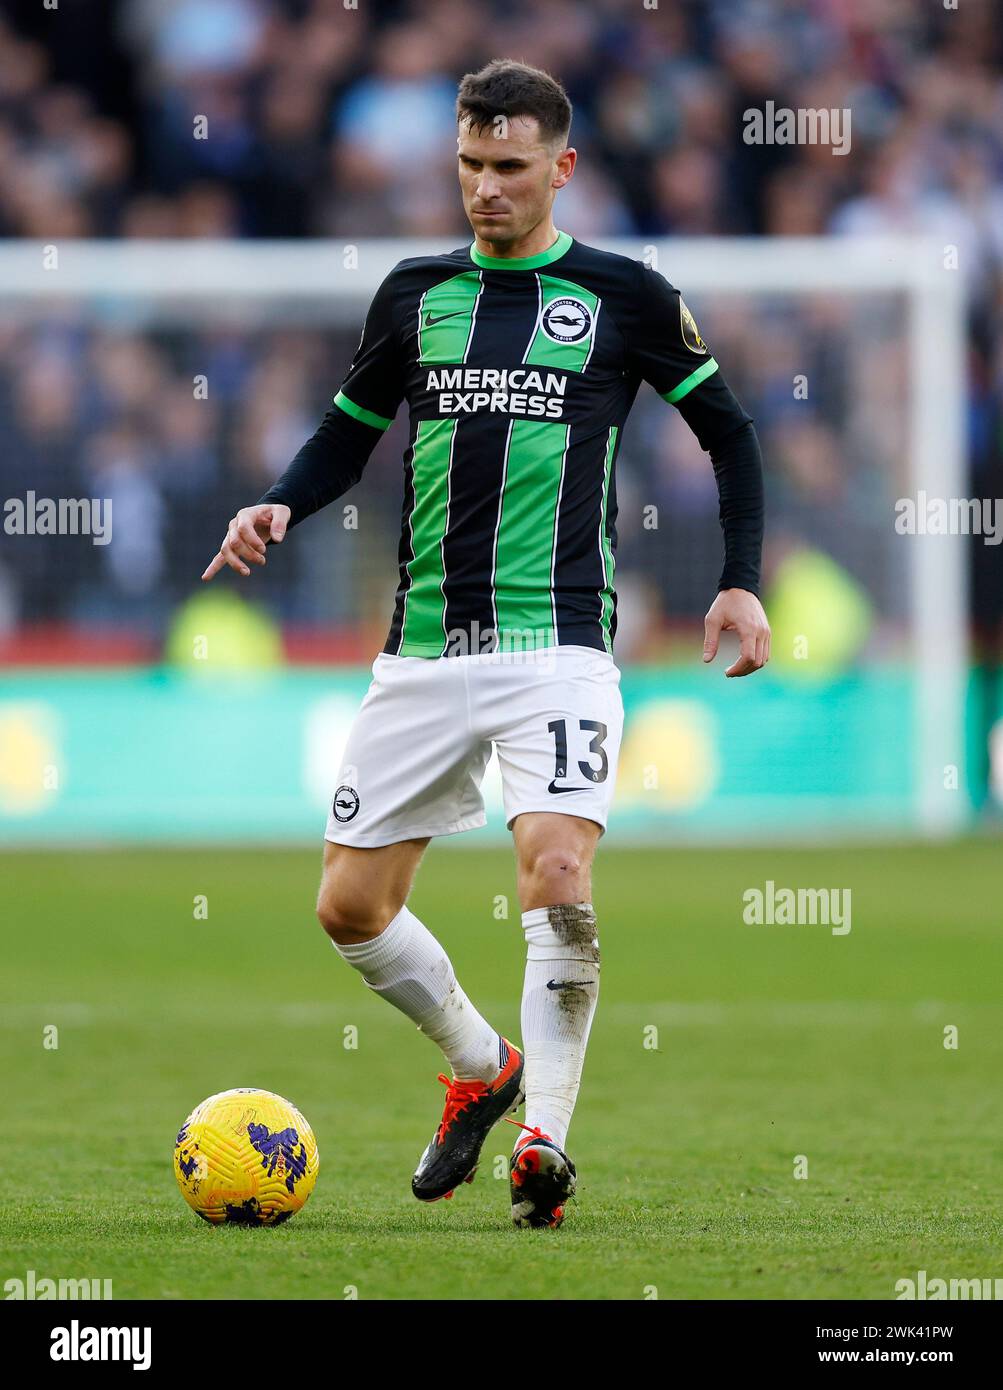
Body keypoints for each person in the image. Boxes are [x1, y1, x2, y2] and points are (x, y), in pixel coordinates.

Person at [202, 58, 770, 1229]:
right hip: (421, 651)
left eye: (509, 168)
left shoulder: (625, 295)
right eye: (468, 165)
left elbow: (730, 435)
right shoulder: (413, 294)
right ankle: (480, 1064)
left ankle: (546, 1143)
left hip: (556, 645)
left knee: (556, 872)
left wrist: (739, 583)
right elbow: (344, 433)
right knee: (348, 910)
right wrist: (277, 503)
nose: (484, 189)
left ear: (560, 167)